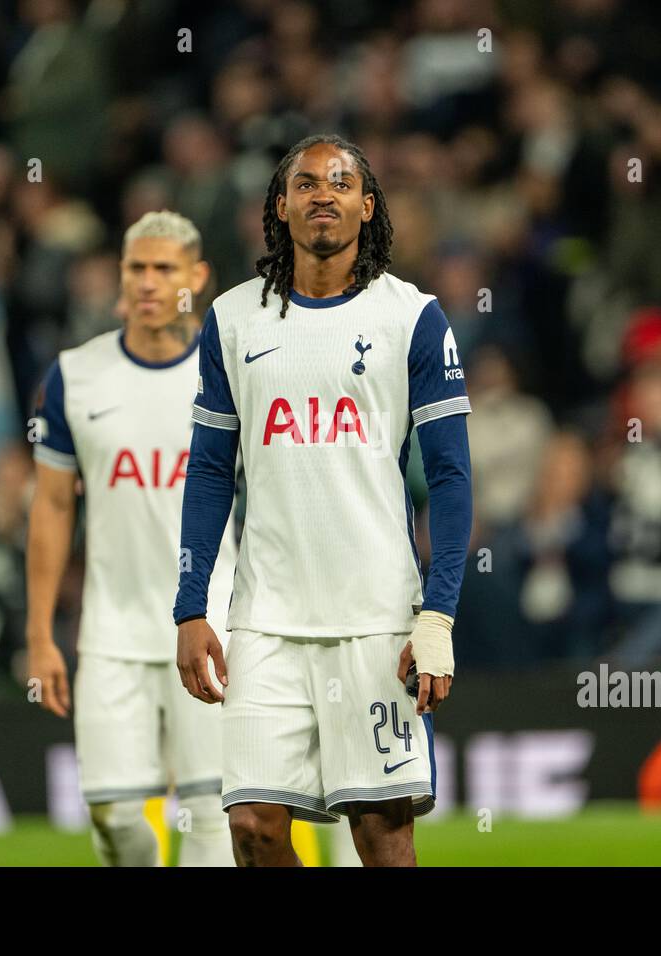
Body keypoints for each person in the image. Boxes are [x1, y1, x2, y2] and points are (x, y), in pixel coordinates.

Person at [172, 134, 473, 867]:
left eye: (341, 183)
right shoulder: (232, 320)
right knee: (251, 828)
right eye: (305, 184)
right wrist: (189, 606)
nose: (323, 195)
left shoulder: (414, 318)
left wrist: (437, 614)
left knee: (382, 840)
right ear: (280, 205)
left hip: (375, 619)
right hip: (266, 620)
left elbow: (454, 477)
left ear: (368, 207)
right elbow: (210, 471)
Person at [25, 210, 236, 867]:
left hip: (212, 624)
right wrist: (38, 633)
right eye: (136, 268)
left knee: (211, 816)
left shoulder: (232, 369)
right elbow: (54, 506)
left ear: (196, 277)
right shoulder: (74, 377)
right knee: (114, 817)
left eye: (164, 268)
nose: (148, 282)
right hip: (112, 631)